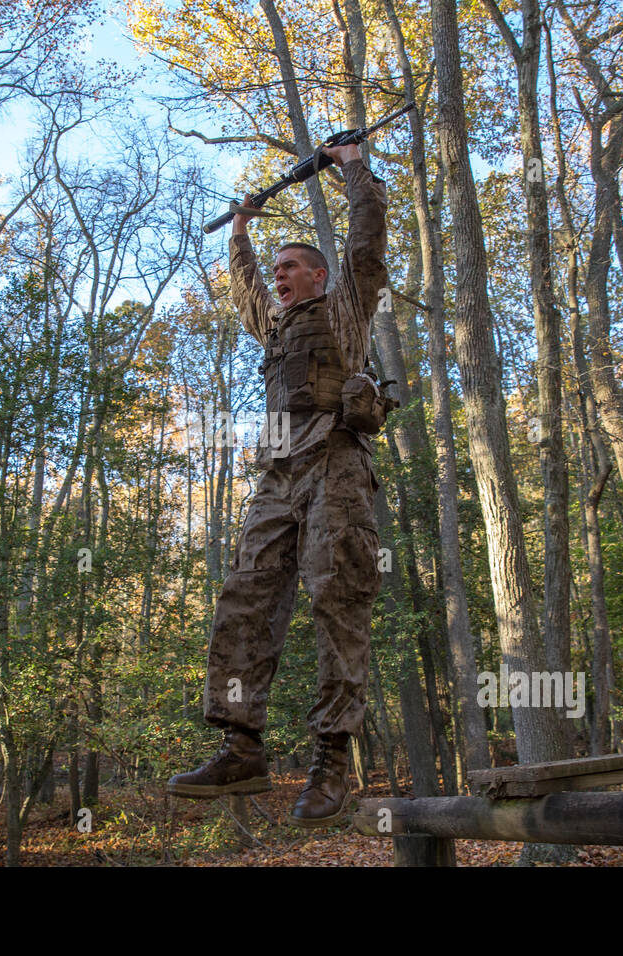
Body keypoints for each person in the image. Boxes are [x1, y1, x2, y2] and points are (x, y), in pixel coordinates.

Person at [167, 141, 390, 827]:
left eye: (291, 267)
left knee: (335, 595)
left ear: (320, 277)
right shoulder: (274, 324)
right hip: (278, 472)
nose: (280, 275)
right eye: (278, 268)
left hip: (336, 463)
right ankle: (241, 742)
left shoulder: (347, 302)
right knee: (246, 596)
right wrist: (241, 228)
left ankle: (330, 757)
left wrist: (354, 167)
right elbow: (246, 290)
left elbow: (367, 239)